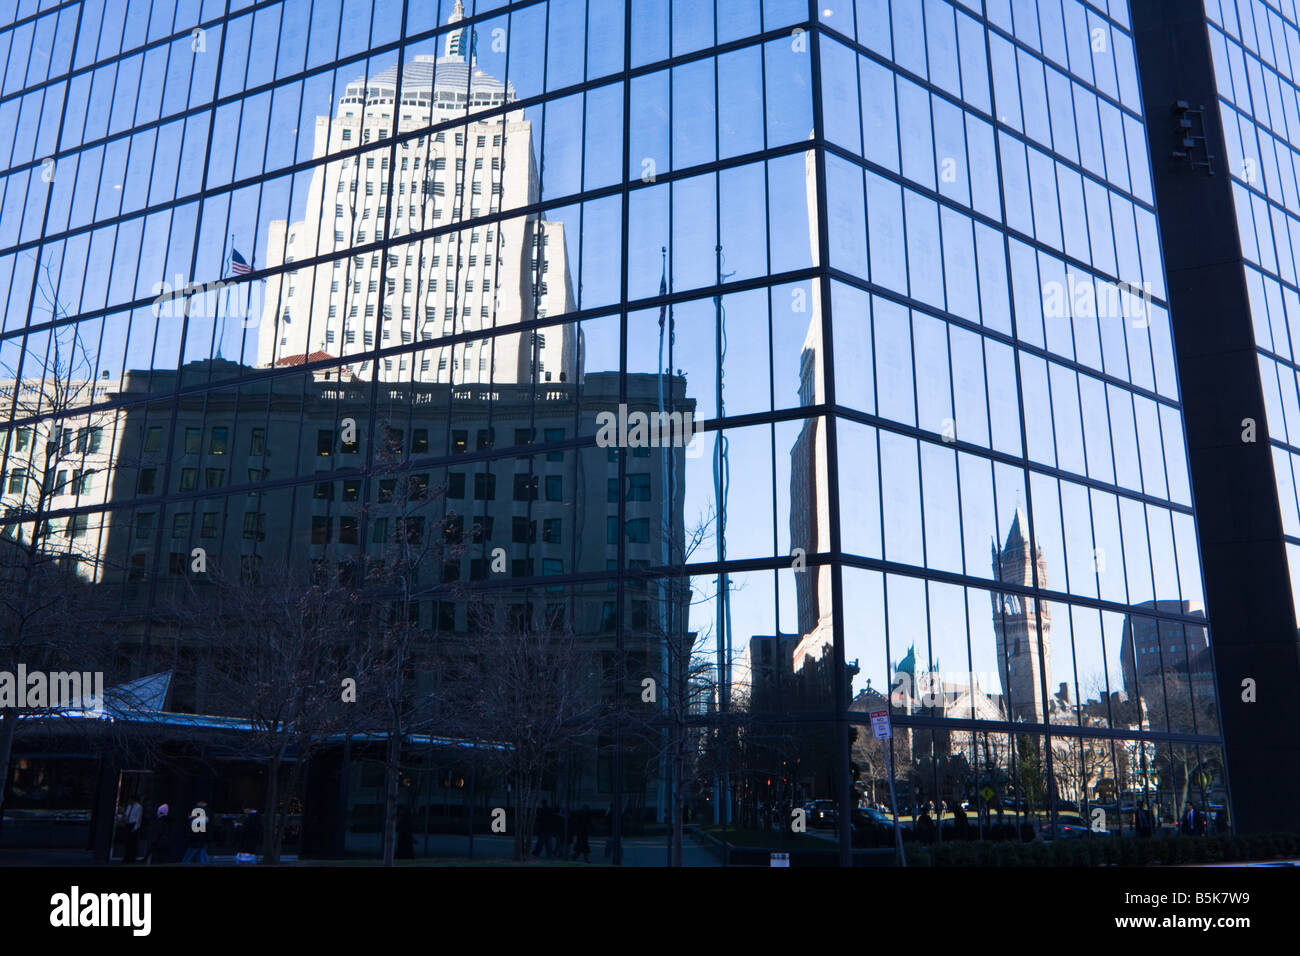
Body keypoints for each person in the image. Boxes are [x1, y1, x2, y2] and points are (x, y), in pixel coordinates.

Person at [182, 800, 211, 864]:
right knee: (196, 851)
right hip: (197, 837)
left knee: (199, 851)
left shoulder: (198, 813)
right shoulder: (200, 813)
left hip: (197, 837)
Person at [121, 796, 143, 864]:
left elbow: (138, 818)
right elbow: (127, 815)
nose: (129, 802)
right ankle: (126, 857)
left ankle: (131, 858)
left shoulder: (138, 807)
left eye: (130, 800)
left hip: (133, 825)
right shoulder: (129, 806)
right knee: (127, 842)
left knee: (132, 843)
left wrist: (135, 828)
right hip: (128, 824)